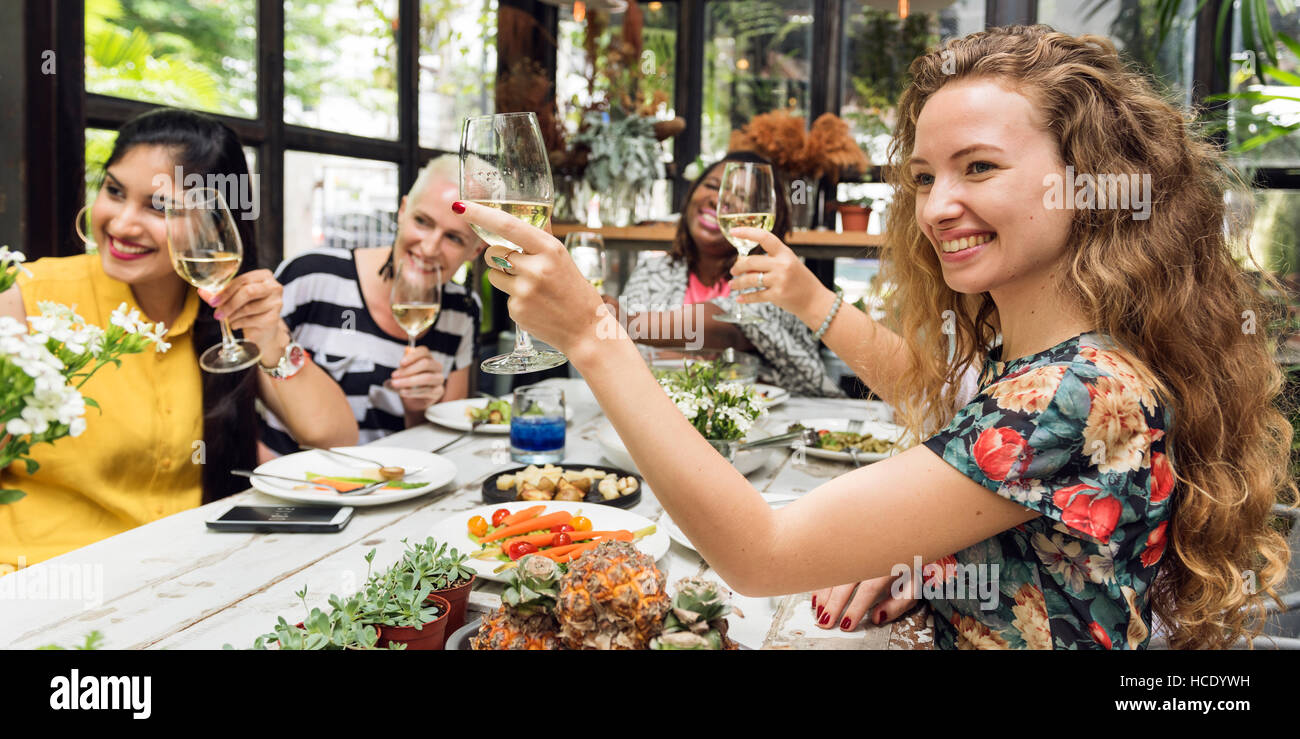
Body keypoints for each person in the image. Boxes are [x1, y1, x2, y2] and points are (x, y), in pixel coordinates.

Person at [457, 25, 1294, 649]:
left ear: (1085, 183)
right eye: (925, 176)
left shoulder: (1075, 392)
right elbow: (1035, 542)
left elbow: (760, 552)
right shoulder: (1058, 359)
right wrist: (939, 571)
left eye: (979, 167)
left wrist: (595, 334)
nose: (934, 207)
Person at [0, 108, 358, 568]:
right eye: (114, 191)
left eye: (160, 206)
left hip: (186, 583)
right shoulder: (27, 296)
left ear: (216, 219)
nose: (123, 223)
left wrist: (269, 338)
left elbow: (336, 439)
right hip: (42, 588)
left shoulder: (222, 313)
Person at [257, 156, 483, 459]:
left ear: (476, 250)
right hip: (294, 485)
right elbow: (248, 383)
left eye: (454, 238)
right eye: (422, 221)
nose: (429, 248)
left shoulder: (463, 310)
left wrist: (418, 408)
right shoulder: (312, 276)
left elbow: (444, 445)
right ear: (402, 212)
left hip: (395, 488)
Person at [610, 151, 843, 396]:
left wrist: (630, 323)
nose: (720, 200)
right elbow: (624, 355)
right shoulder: (652, 270)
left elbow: (730, 329)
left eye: (741, 196)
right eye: (712, 186)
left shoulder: (774, 274)